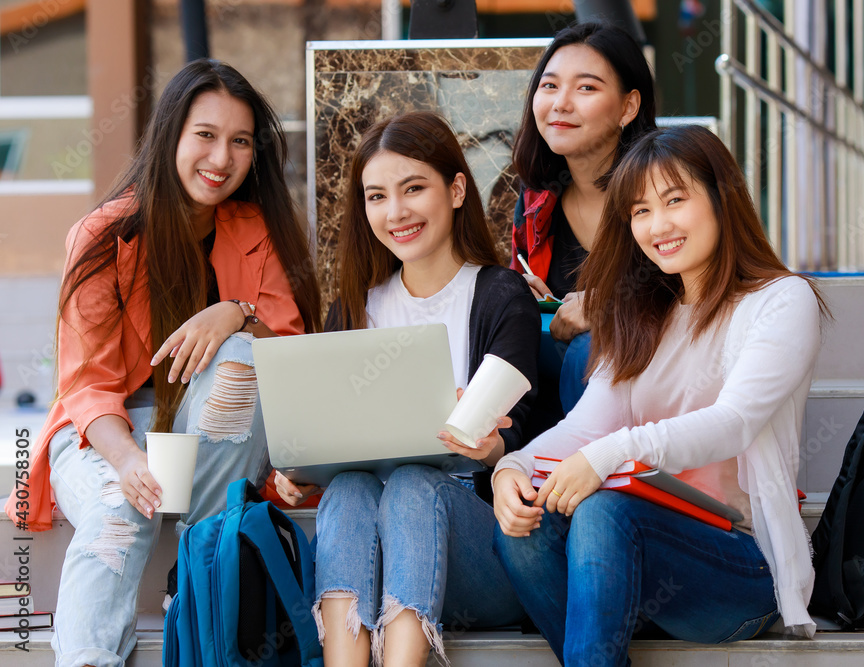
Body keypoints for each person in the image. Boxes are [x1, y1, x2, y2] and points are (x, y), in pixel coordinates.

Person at [5, 59, 321, 667]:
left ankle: (200, 568)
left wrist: (236, 312)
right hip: (106, 431)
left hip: (216, 433)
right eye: (205, 135)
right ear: (171, 133)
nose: (221, 158)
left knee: (239, 354)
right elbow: (87, 384)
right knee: (118, 510)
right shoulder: (102, 235)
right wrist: (127, 461)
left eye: (240, 142)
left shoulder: (261, 229)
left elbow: (289, 353)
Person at [493, 125, 828, 665]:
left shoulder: (781, 301)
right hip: (629, 570)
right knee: (524, 522)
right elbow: (586, 424)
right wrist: (513, 465)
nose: (658, 225)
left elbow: (734, 421)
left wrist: (607, 456)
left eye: (675, 200)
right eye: (640, 211)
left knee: (605, 510)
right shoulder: (639, 314)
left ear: (722, 199)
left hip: (740, 567)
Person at [273, 112, 539, 667]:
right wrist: (298, 468)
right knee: (346, 487)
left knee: (415, 484)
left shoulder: (499, 295)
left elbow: (529, 442)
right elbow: (333, 436)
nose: (395, 213)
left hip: (478, 553)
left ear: (457, 189)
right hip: (373, 549)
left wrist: (490, 446)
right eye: (376, 196)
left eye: (414, 188)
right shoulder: (354, 307)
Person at [509, 21, 657, 426]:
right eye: (550, 86)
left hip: (647, 407)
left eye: (586, 88)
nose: (561, 103)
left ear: (628, 107)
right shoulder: (536, 202)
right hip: (555, 404)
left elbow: (702, 296)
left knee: (589, 346)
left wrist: (610, 305)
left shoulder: (663, 191)